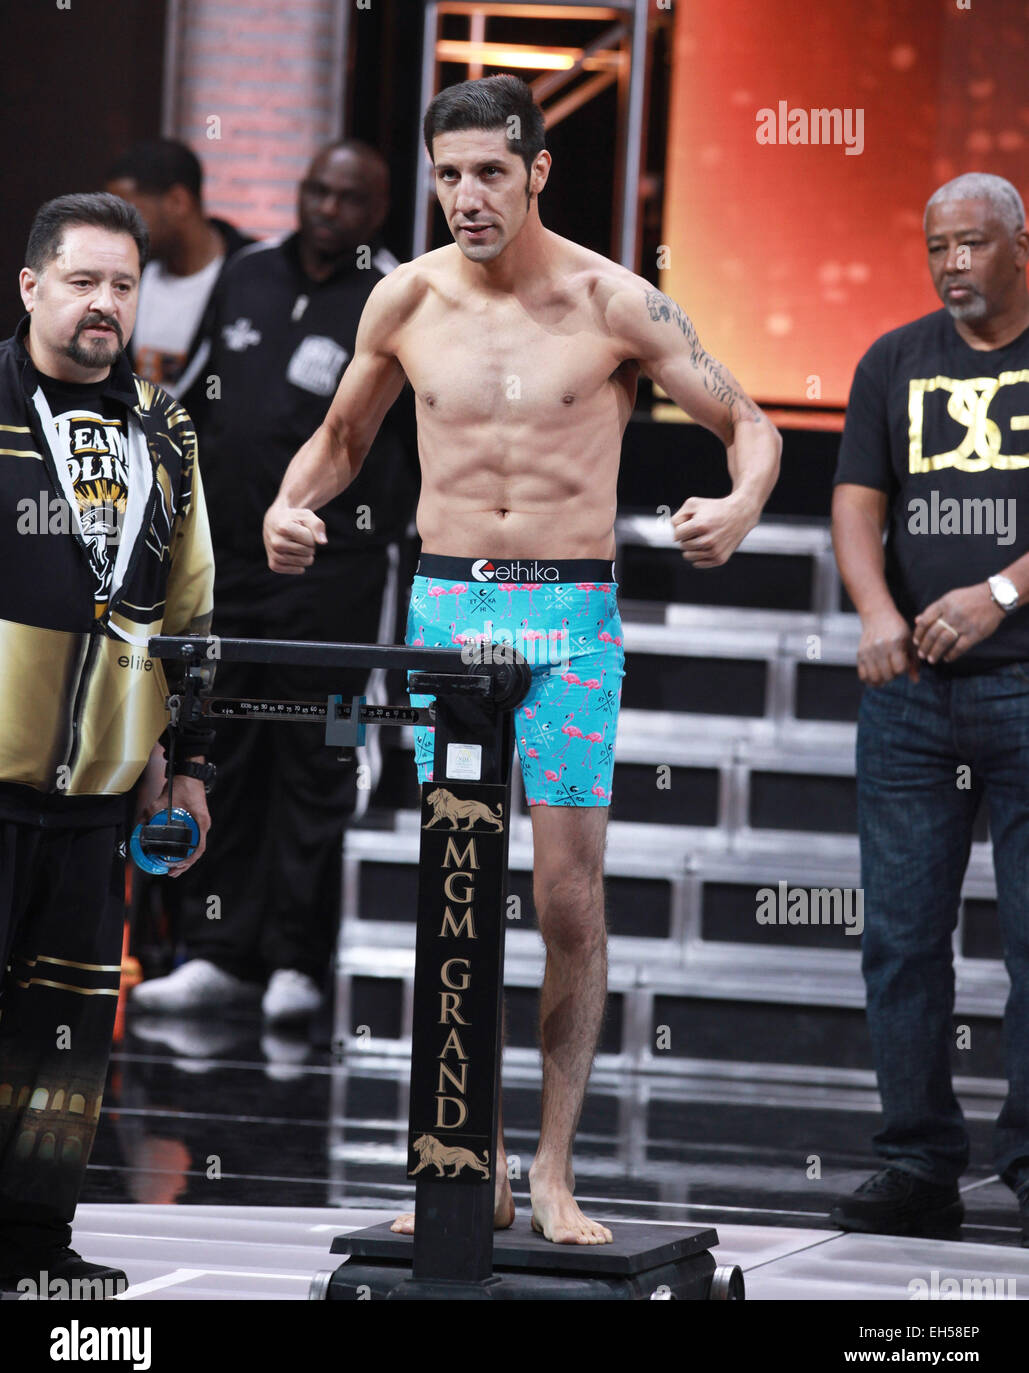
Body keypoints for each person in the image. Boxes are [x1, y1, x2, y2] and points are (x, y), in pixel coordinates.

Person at [264, 75, 781, 1244]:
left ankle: (552, 1167)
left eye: (490, 171)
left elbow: (752, 423)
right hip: (449, 616)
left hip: (569, 626)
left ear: (538, 170)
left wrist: (743, 504)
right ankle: (466, 1164)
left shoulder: (615, 300)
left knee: (564, 899)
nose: (467, 196)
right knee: (455, 893)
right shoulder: (404, 298)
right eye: (449, 175)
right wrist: (289, 509)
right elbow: (342, 438)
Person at [131, 141, 418, 1025]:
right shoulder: (248, 271)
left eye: (349, 197)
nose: (326, 207)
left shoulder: (399, 291)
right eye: (315, 189)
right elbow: (194, 390)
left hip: (335, 569)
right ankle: (218, 952)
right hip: (229, 563)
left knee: (317, 756)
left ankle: (297, 961)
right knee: (218, 748)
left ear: (377, 210)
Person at [0, 192, 214, 1294]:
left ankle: (34, 1250)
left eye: (123, 285)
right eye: (82, 281)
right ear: (31, 285)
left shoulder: (164, 427)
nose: (104, 304)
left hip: (98, 801)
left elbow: (190, 611)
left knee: (66, 1047)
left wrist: (187, 766)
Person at [830, 173, 1029, 1244]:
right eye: (936, 246)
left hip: (1027, 684)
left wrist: (1001, 592)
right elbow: (859, 500)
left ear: (1019, 244)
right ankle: (917, 1160)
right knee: (902, 939)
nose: (953, 264)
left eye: (971, 244)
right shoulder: (893, 359)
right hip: (911, 698)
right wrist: (874, 610)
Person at [106, 137, 253, 419]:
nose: (119, 229)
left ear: (177, 201)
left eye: (130, 213)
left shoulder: (250, 275)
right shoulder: (124, 274)